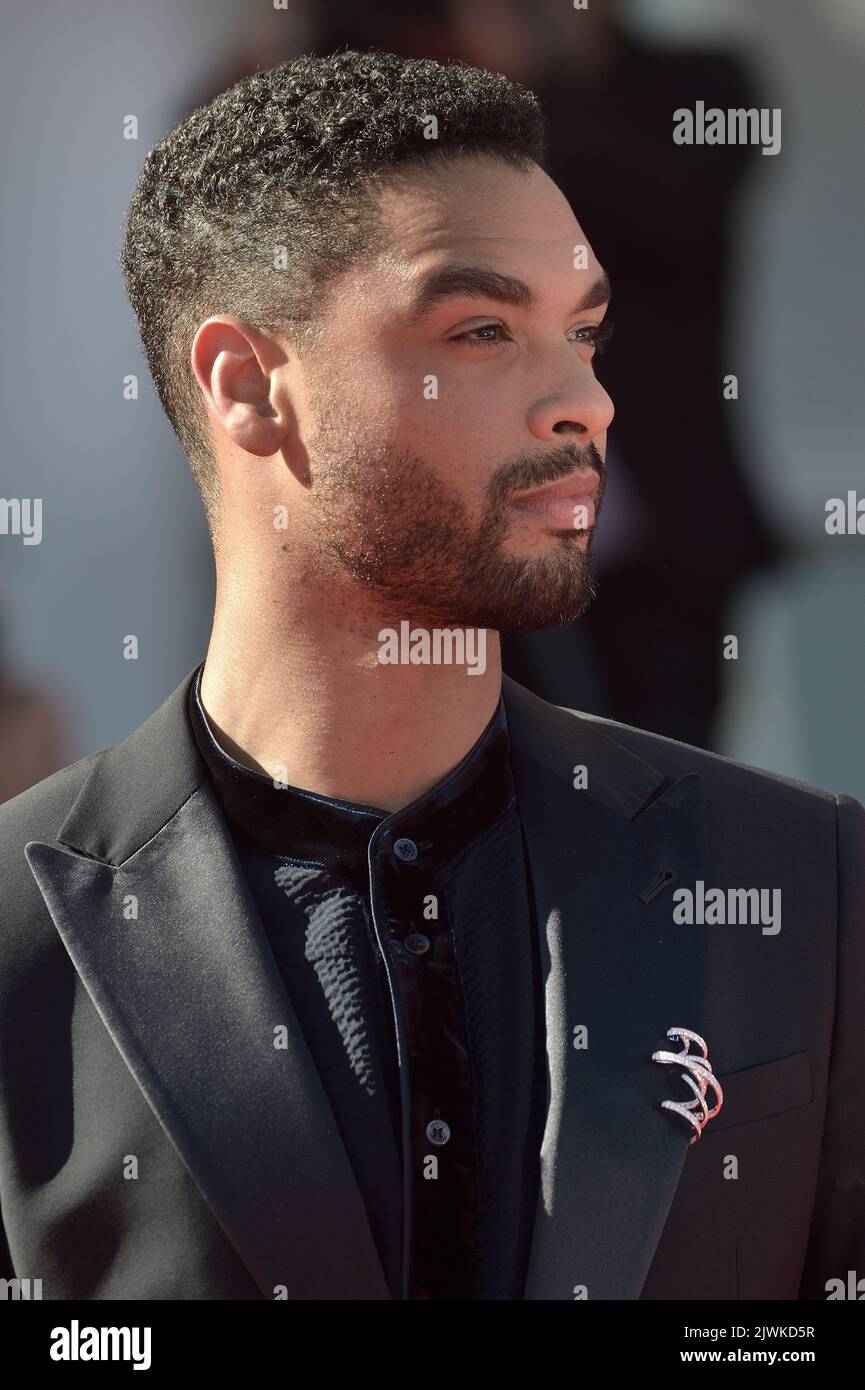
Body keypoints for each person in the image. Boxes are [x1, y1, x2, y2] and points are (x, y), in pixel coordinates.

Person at [0, 50, 861, 1302]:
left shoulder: (805, 885)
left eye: (581, 333)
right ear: (250, 388)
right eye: (481, 330)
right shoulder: (18, 944)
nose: (586, 401)